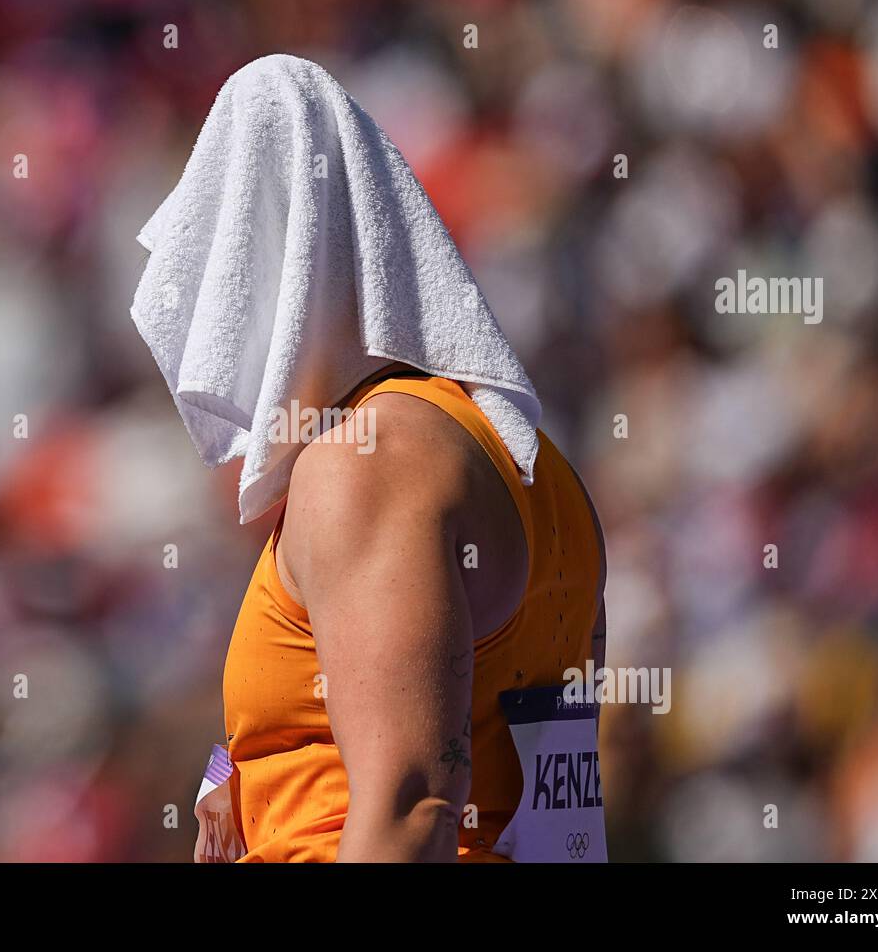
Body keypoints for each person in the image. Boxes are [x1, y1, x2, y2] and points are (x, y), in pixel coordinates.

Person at [133, 55, 606, 862]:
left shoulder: (368, 462)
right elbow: (538, 796)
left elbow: (412, 806)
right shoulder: (531, 466)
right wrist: (242, 773)